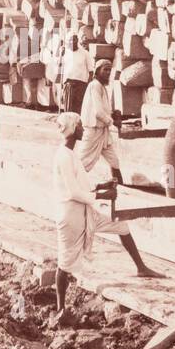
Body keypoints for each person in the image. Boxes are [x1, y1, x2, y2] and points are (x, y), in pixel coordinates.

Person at [52, 111, 160, 322]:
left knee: (121, 226)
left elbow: (81, 183)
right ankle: (60, 308)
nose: (84, 129)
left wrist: (101, 185)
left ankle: (141, 268)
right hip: (71, 216)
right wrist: (101, 194)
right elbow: (73, 192)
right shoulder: (63, 157)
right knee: (64, 262)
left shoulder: (71, 154)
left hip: (84, 211)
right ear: (73, 130)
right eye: (81, 126)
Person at [78, 58, 122, 183]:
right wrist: (113, 122)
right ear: (97, 72)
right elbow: (98, 112)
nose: (108, 72)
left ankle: (119, 185)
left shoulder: (102, 87)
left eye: (109, 70)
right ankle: (72, 180)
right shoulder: (95, 86)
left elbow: (104, 110)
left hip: (103, 131)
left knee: (114, 160)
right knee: (83, 160)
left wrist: (113, 114)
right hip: (93, 130)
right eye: (105, 70)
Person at [61, 34, 93, 115]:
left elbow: (91, 72)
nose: (71, 42)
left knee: (79, 110)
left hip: (81, 85)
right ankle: (69, 127)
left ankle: (78, 127)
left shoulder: (85, 53)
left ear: (77, 40)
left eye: (73, 40)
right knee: (68, 111)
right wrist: (60, 55)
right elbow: (59, 67)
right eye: (69, 40)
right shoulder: (65, 53)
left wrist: (88, 86)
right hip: (68, 85)